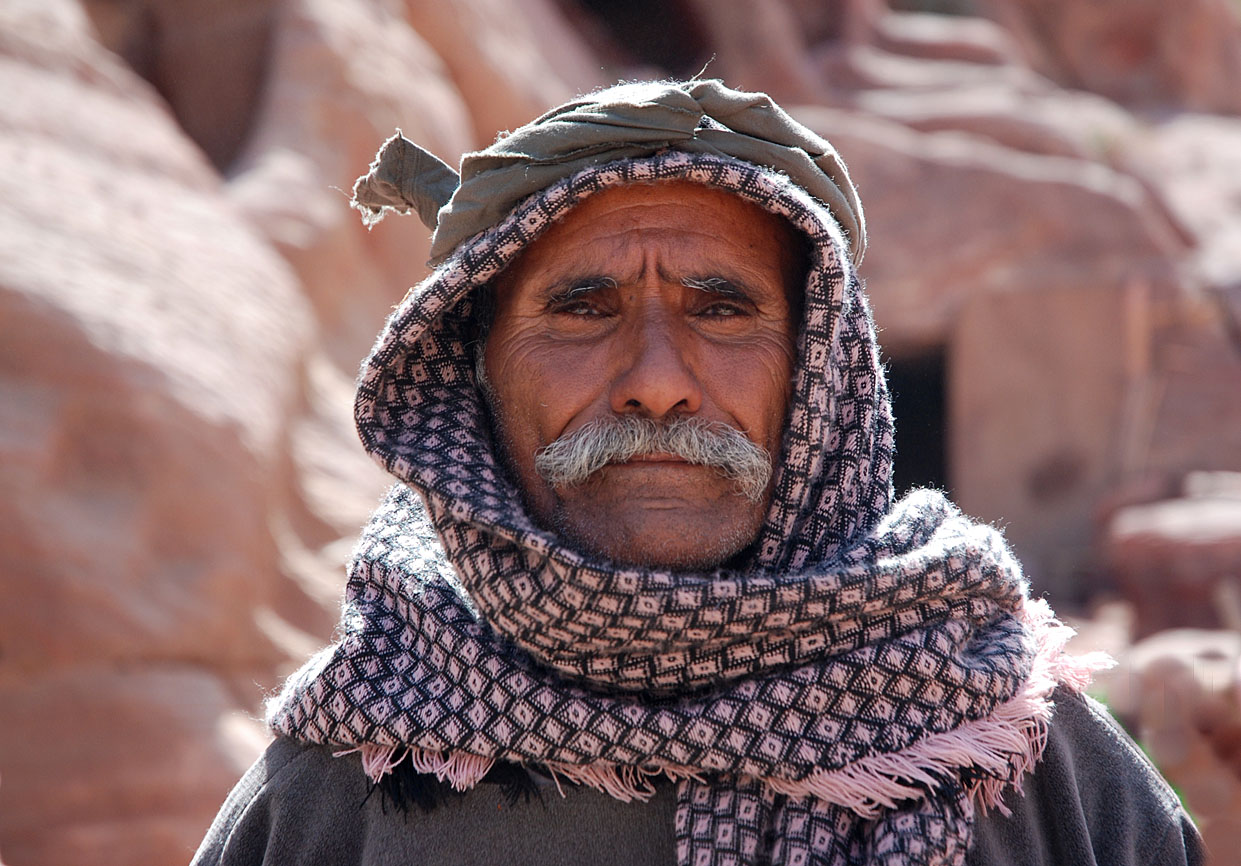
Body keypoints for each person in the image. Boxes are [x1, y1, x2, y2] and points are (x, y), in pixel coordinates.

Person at [192, 80, 1203, 866]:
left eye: (720, 308)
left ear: (815, 373)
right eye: (581, 309)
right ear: (478, 374)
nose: (657, 383)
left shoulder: (1002, 732)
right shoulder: (368, 741)